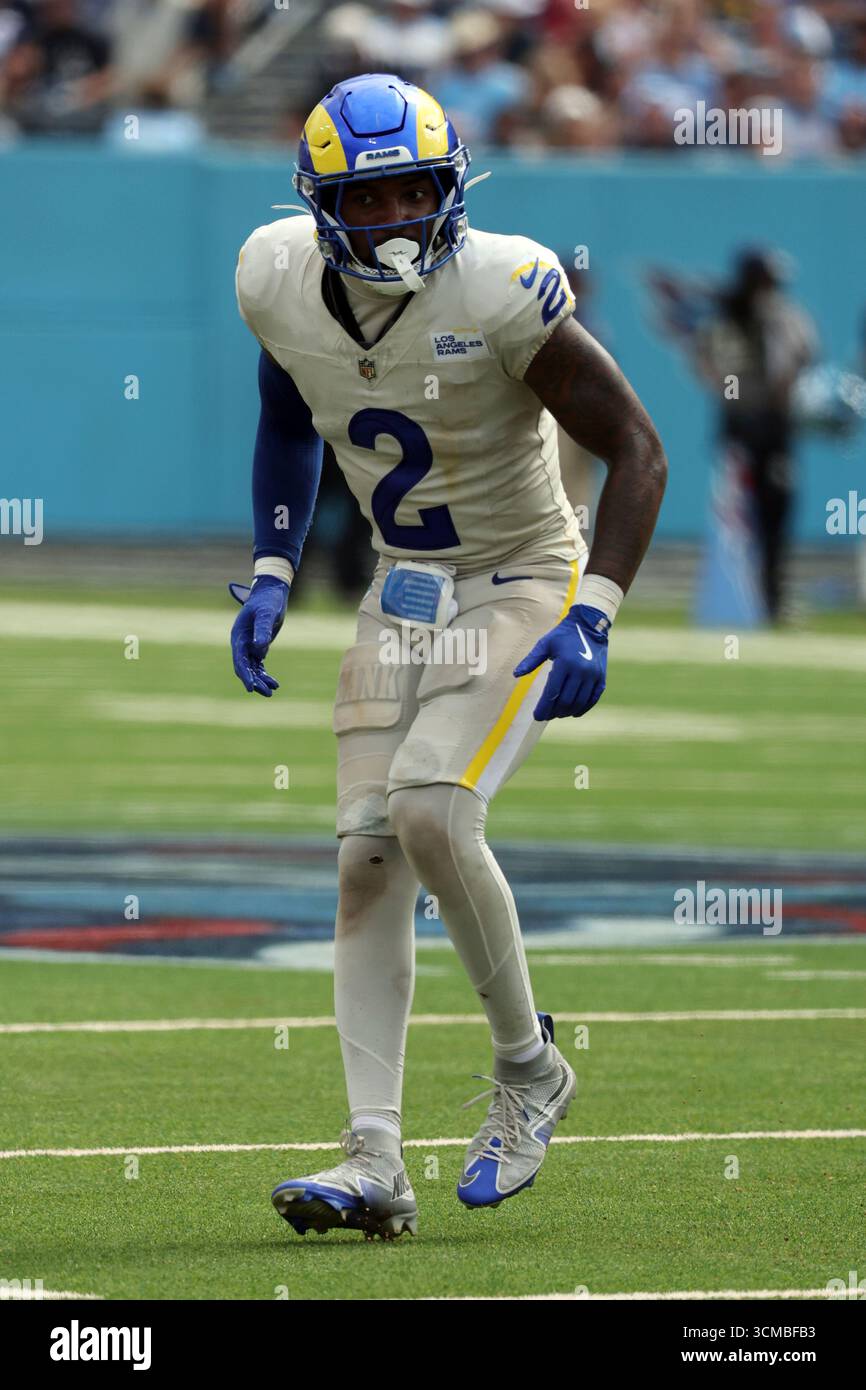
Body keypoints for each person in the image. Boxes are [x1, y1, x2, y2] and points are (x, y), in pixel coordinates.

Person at [231, 73, 666, 1239]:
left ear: (452, 186)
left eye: (418, 191)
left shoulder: (500, 285)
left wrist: (598, 610)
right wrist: (273, 569)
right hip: (400, 593)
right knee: (364, 861)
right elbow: (286, 415)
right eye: (370, 201)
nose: (399, 219)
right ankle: (373, 1158)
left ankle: (529, 1070)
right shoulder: (274, 276)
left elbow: (635, 446)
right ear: (324, 208)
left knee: (430, 809)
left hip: (525, 576)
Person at [693, 248, 817, 621]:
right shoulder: (726, 320)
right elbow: (707, 362)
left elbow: (804, 353)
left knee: (776, 512)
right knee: (736, 519)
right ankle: (738, 601)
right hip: (741, 430)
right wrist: (735, 395)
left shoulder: (784, 316)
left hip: (775, 431)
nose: (771, 290)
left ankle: (772, 599)